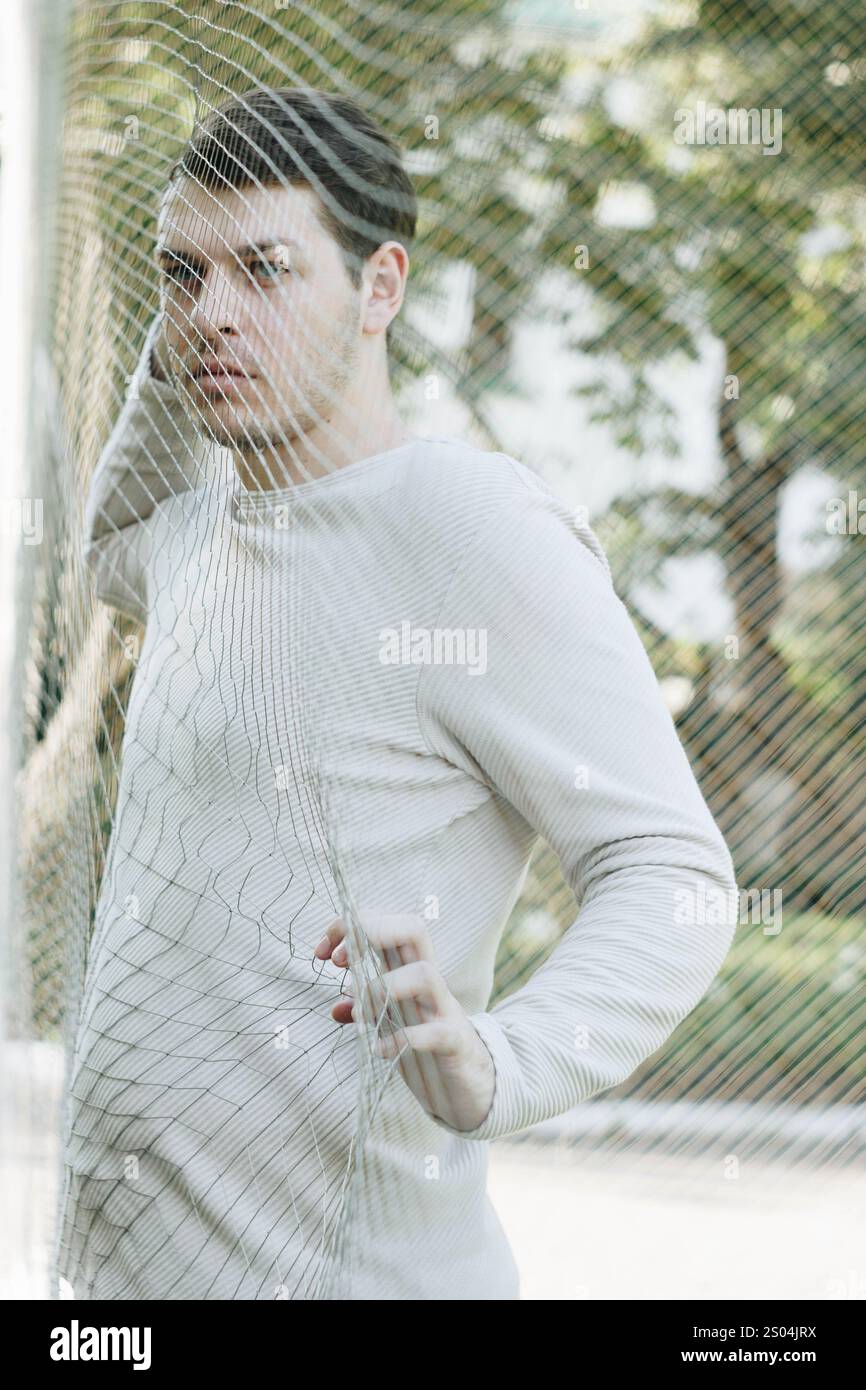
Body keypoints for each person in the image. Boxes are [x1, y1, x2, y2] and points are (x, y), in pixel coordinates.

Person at [55, 85, 738, 1301]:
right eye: (180, 274)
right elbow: (106, 539)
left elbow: (672, 872)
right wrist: (179, 363)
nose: (209, 314)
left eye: (264, 270)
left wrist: (503, 1059)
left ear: (381, 287)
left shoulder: (474, 530)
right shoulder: (191, 530)